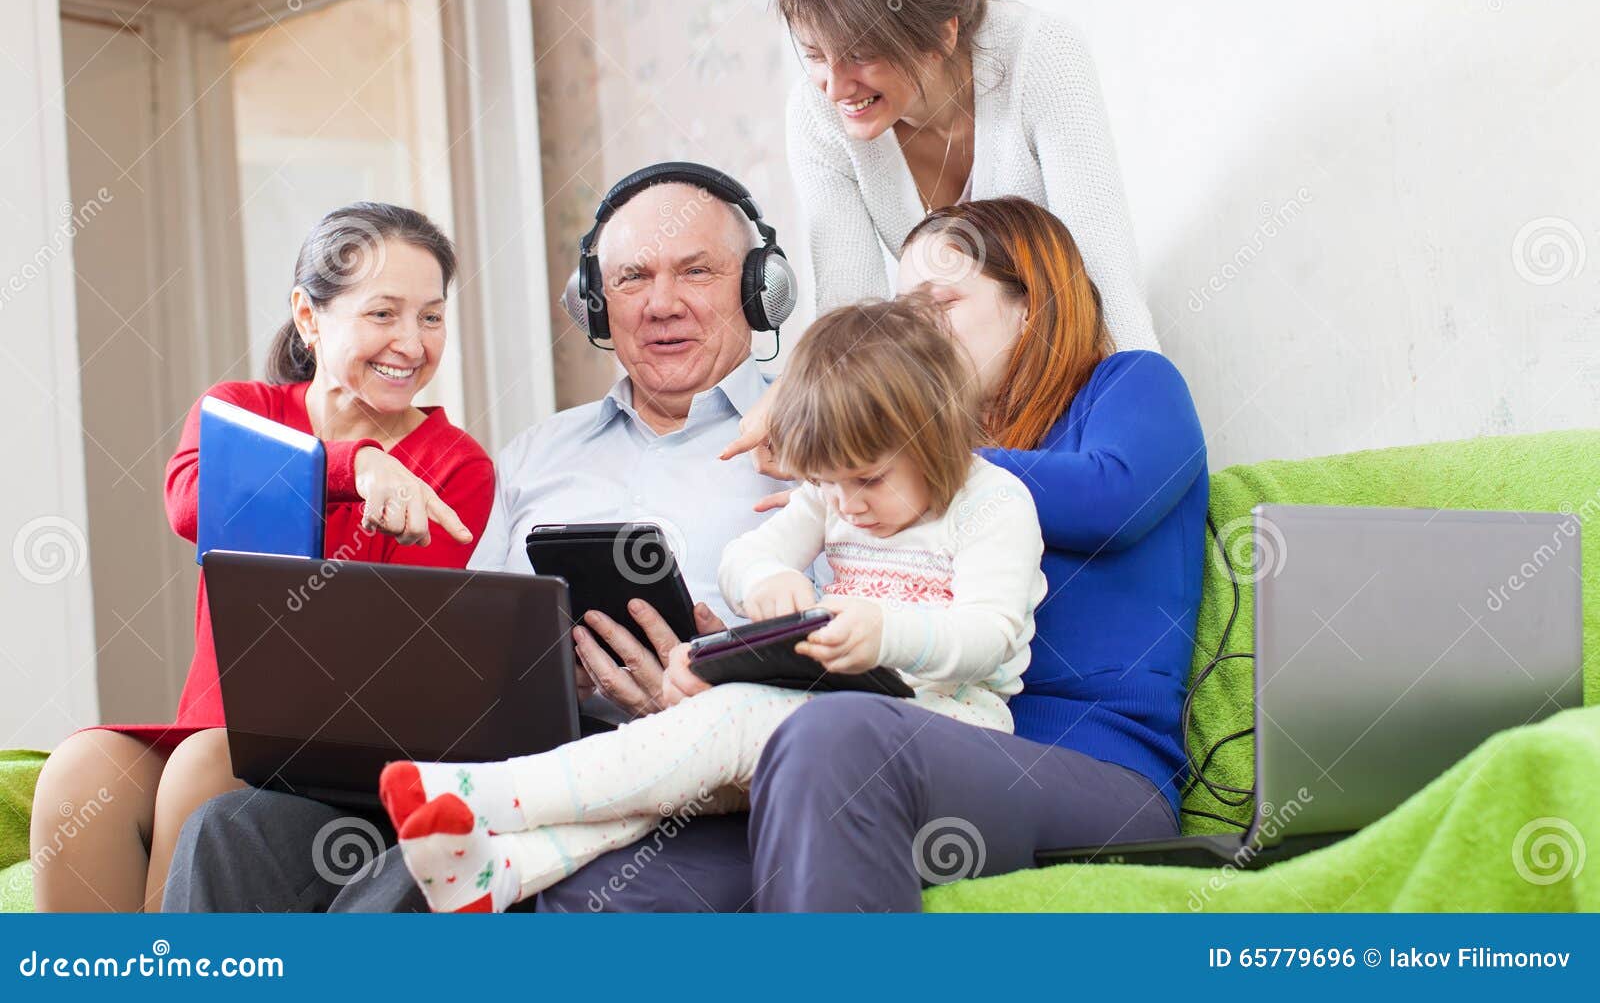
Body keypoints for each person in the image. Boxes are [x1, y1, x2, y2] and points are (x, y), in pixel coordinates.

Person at [546, 196, 1206, 911]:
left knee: (836, 737)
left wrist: (905, 446)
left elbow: (1118, 494)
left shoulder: (1132, 385)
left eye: (939, 302)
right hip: (908, 743)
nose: (915, 330)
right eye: (905, 309)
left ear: (1031, 305)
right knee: (611, 889)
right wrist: (741, 659)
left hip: (1096, 772)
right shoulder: (891, 483)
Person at [162, 168, 794, 912]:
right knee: (229, 832)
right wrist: (545, 671)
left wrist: (719, 677)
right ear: (594, 300)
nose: (661, 303)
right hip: (523, 754)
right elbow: (459, 636)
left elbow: (860, 641)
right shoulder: (535, 454)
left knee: (416, 881)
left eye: (696, 271)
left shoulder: (816, 439)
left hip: (698, 767)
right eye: (631, 277)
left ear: (759, 289)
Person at [376, 298, 1046, 912]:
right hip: (839, 717)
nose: (846, 504)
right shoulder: (838, 489)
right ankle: (504, 867)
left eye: (868, 480)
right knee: (680, 773)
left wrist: (882, 631)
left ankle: (484, 794)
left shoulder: (994, 502)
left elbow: (988, 634)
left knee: (729, 718)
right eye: (828, 482)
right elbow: (745, 558)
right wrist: (766, 583)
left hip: (955, 729)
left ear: (939, 435)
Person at [30, 203, 494, 912]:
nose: (412, 341)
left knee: (205, 761)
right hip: (210, 725)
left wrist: (371, 465)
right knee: (80, 769)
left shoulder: (454, 464)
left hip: (338, 746)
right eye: (384, 314)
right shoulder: (237, 411)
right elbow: (194, 504)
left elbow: (387, 638)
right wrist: (355, 464)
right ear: (309, 316)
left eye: (431, 317)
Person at [778, 0, 1159, 351]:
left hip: (1066, 365)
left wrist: (1136, 400)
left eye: (861, 55)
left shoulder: (1040, 55)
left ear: (941, 35)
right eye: (816, 56)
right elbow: (851, 324)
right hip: (951, 388)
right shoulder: (817, 114)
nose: (835, 89)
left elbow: (1106, 280)